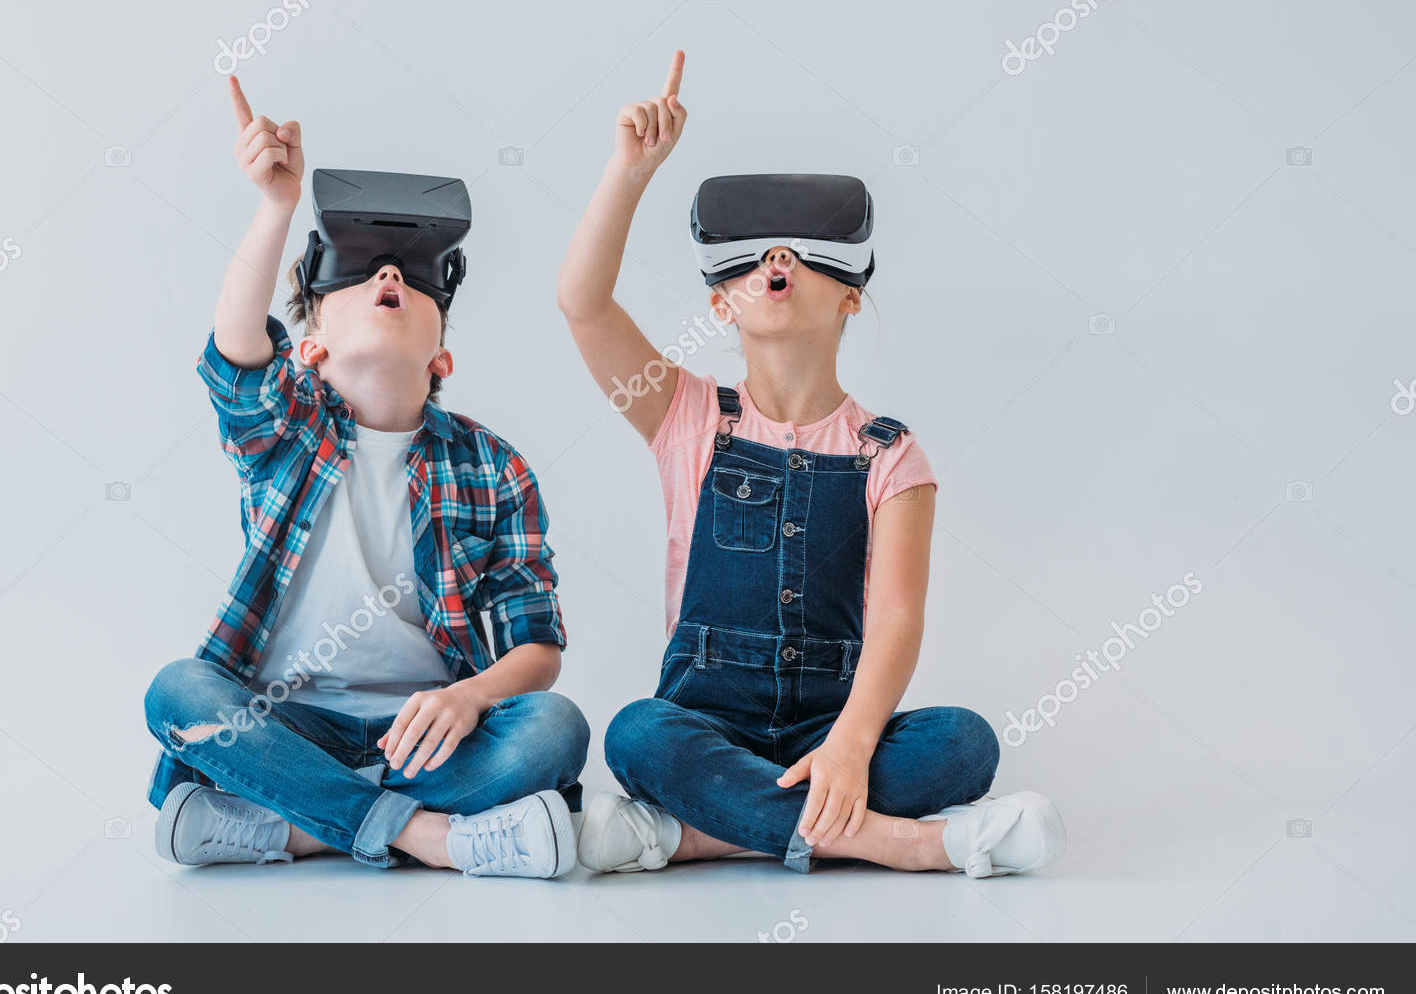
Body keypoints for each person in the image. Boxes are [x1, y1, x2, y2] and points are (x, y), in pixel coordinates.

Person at [557, 51, 1065, 878]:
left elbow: (897, 622)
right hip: (707, 723)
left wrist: (850, 746)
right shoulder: (686, 416)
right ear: (722, 302)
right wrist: (630, 171)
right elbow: (582, 304)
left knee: (962, 744)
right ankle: (907, 845)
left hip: (836, 724)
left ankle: (689, 834)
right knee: (637, 735)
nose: (778, 259)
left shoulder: (891, 454)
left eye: (801, 252)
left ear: (852, 294)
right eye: (755, 259)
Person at [142, 78, 586, 879]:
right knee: (179, 693)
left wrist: (470, 698)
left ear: (442, 356)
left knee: (555, 729)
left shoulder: (492, 465)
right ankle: (429, 838)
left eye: (415, 283)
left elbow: (537, 648)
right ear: (309, 347)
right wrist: (277, 205)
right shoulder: (289, 430)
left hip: (428, 733)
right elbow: (235, 345)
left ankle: (295, 825)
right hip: (284, 722)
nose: (391, 273)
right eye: (362, 278)